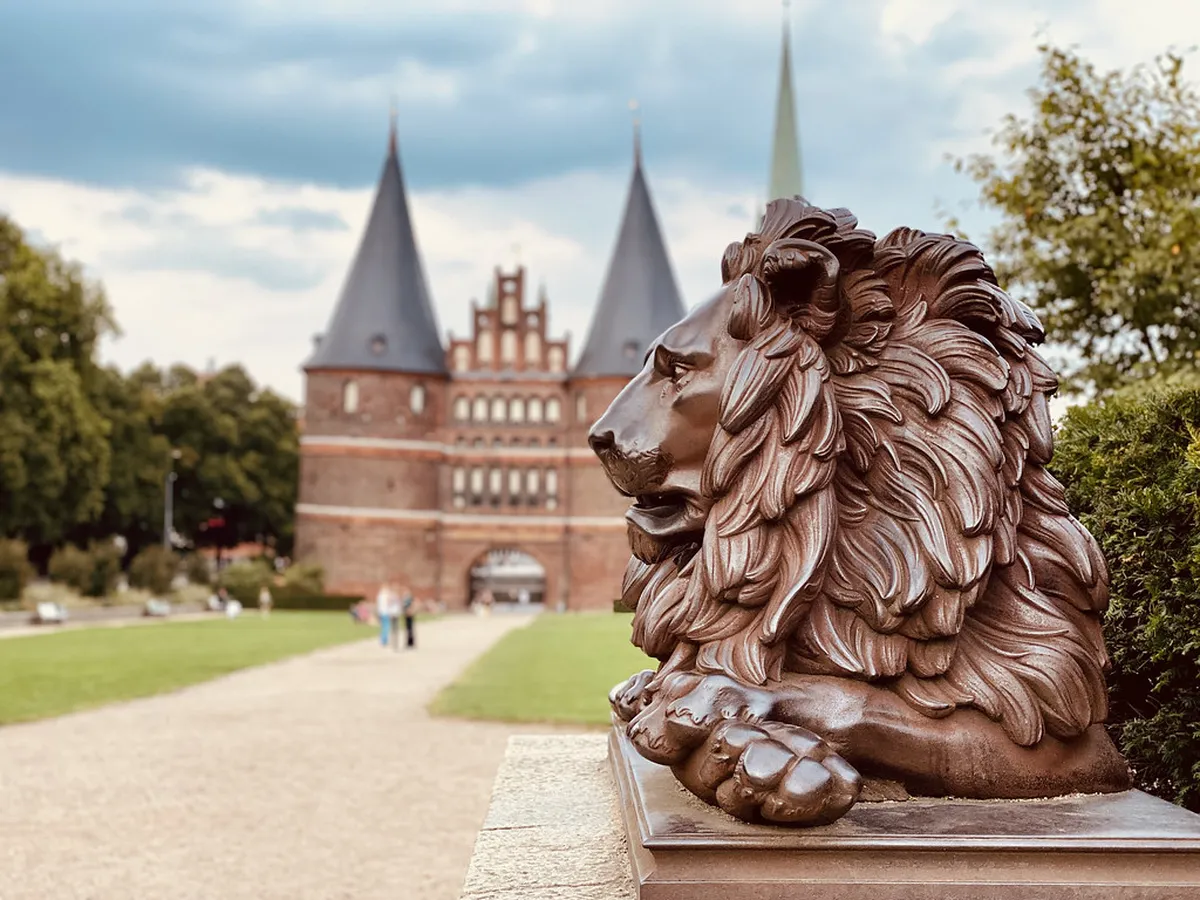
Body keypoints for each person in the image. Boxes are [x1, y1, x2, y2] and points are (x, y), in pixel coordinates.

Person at [376, 582, 393, 647]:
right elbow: (389, 604)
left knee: (383, 626)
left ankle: (383, 640)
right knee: (386, 627)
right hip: (386, 612)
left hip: (381, 612)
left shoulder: (379, 596)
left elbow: (379, 605)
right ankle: (384, 640)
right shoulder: (386, 596)